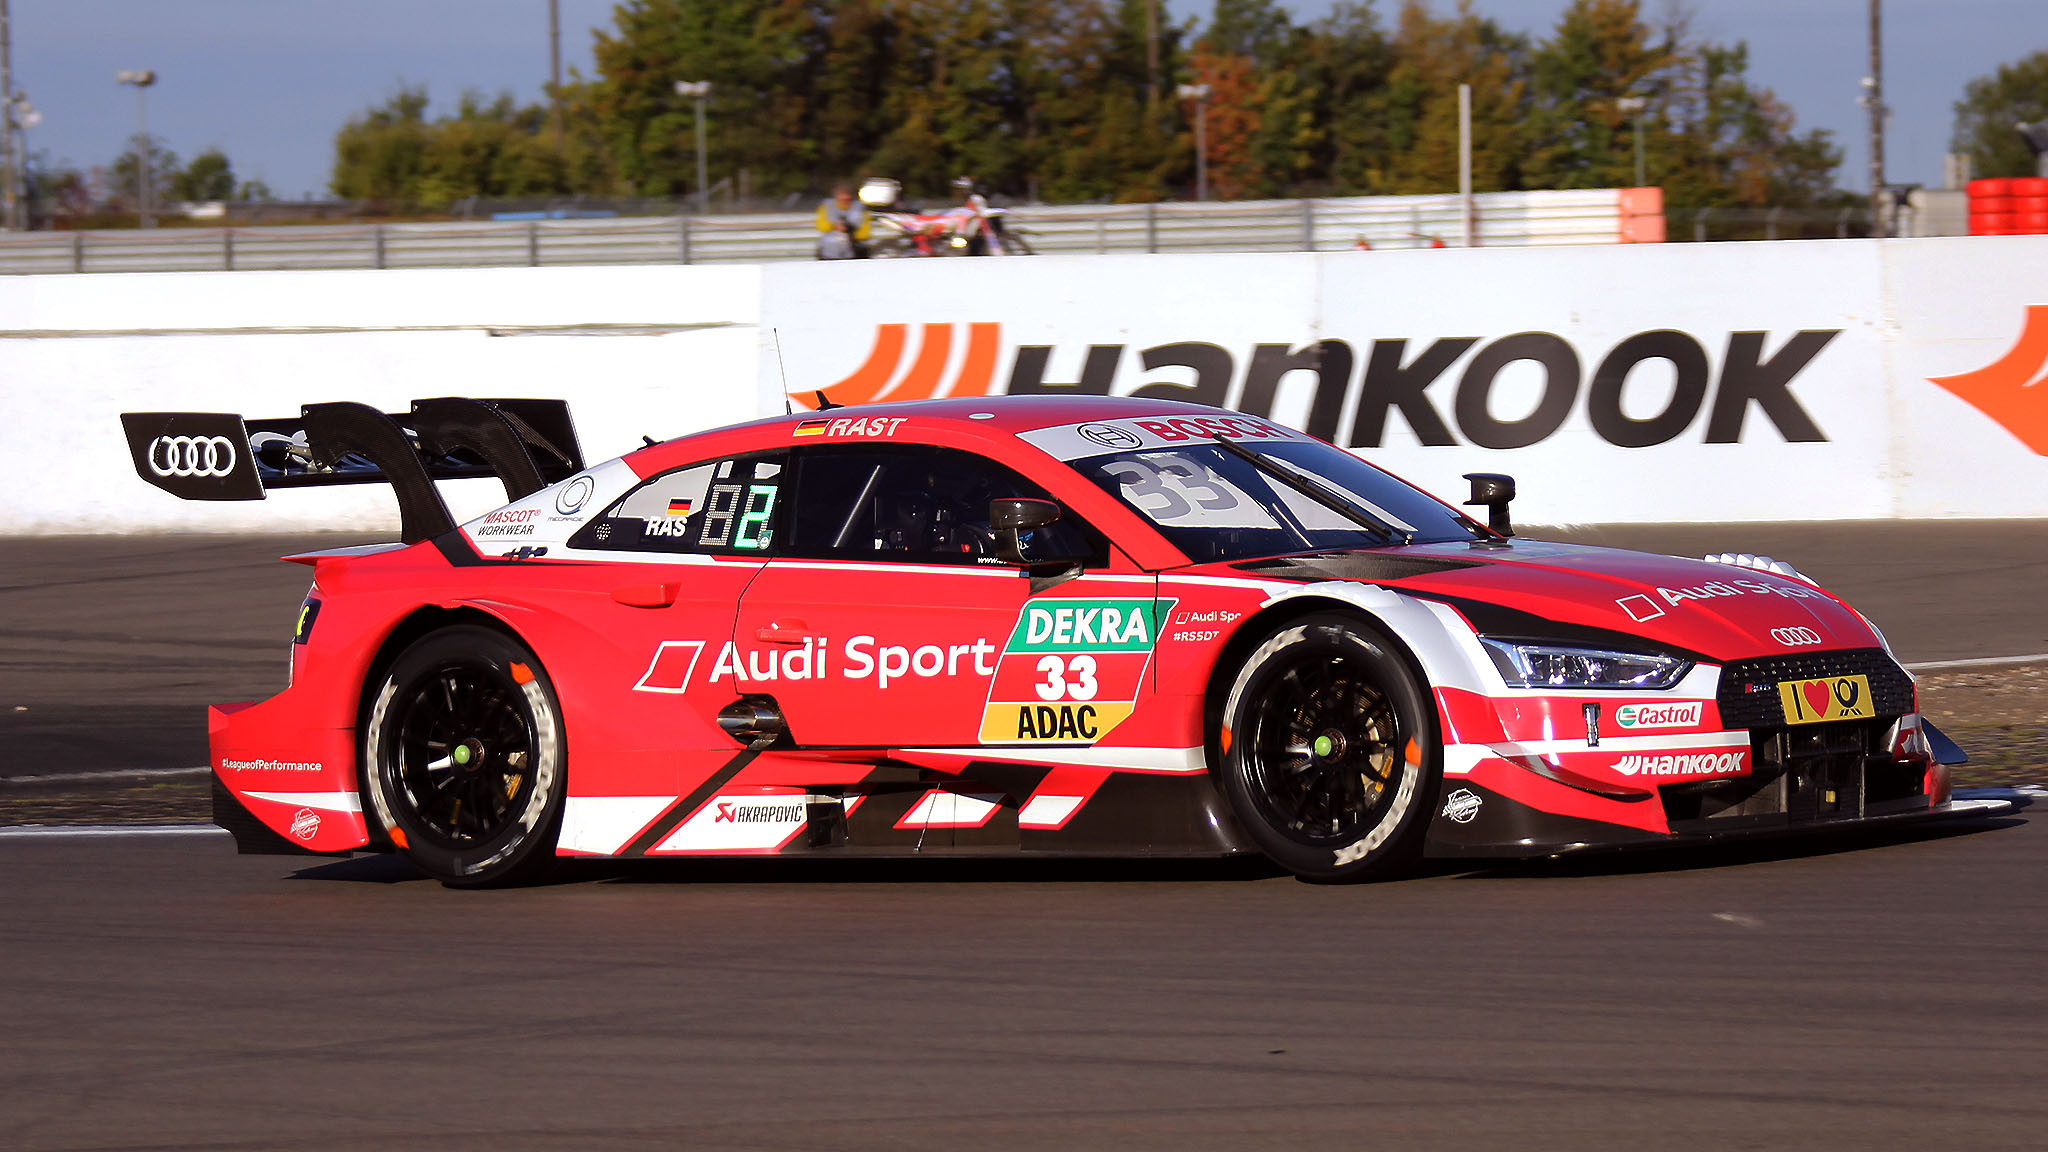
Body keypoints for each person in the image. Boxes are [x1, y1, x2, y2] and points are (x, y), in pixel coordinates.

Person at [815, 183, 870, 259]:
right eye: (842, 199)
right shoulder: (827, 206)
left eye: (848, 199)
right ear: (836, 197)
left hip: (854, 248)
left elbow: (865, 233)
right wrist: (834, 226)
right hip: (829, 249)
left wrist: (850, 234)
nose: (845, 202)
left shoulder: (859, 208)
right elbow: (821, 226)